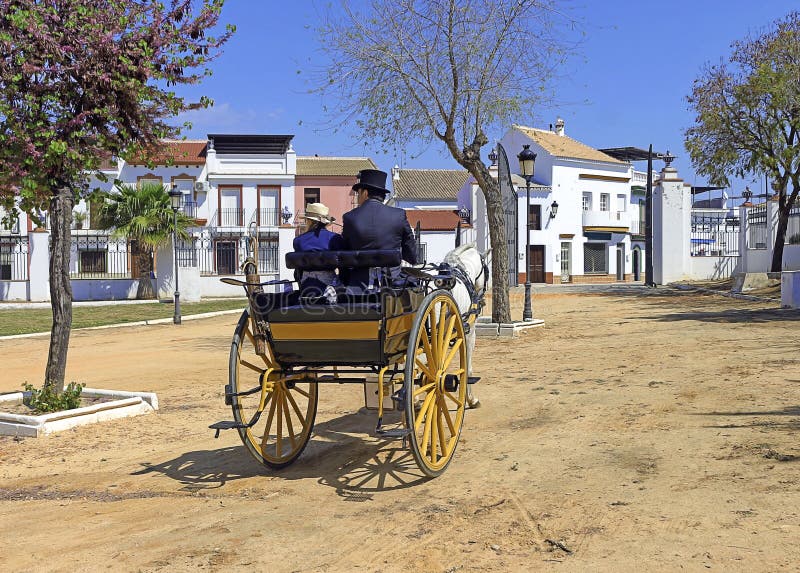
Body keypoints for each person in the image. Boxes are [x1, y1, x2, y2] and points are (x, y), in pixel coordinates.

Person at [342, 169, 418, 289]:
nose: (357, 198)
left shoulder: (350, 217)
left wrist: (345, 280)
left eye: (358, 193)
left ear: (365, 193)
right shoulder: (399, 215)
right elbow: (411, 252)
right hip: (392, 284)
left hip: (358, 286)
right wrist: (412, 260)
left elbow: (344, 254)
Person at [293, 202, 344, 295]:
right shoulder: (335, 238)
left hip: (306, 286)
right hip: (330, 285)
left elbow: (298, 270)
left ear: (309, 221)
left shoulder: (298, 241)